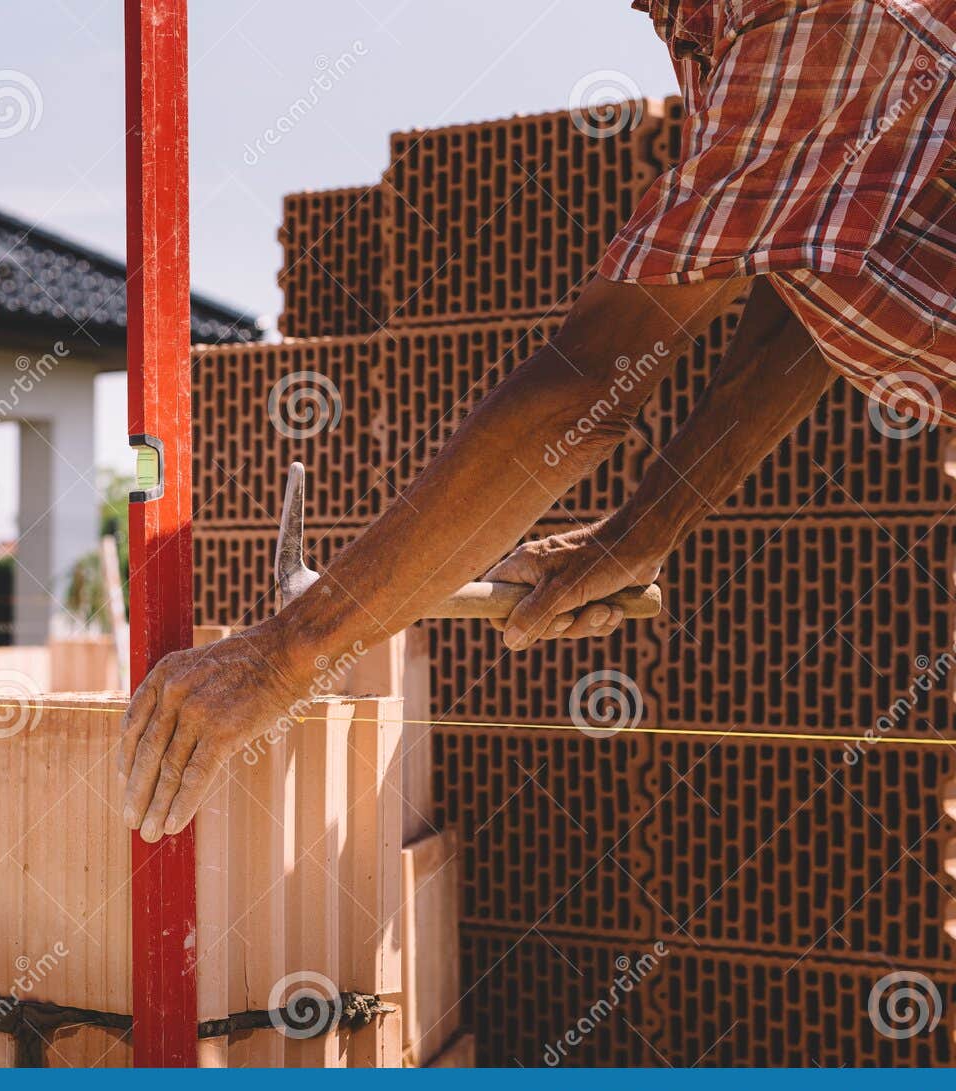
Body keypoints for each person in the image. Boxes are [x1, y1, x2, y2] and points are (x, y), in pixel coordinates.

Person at [120, 0, 956, 842]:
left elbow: (590, 378)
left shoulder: (821, 18)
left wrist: (284, 656)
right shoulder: (714, 26)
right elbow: (807, 280)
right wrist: (641, 530)